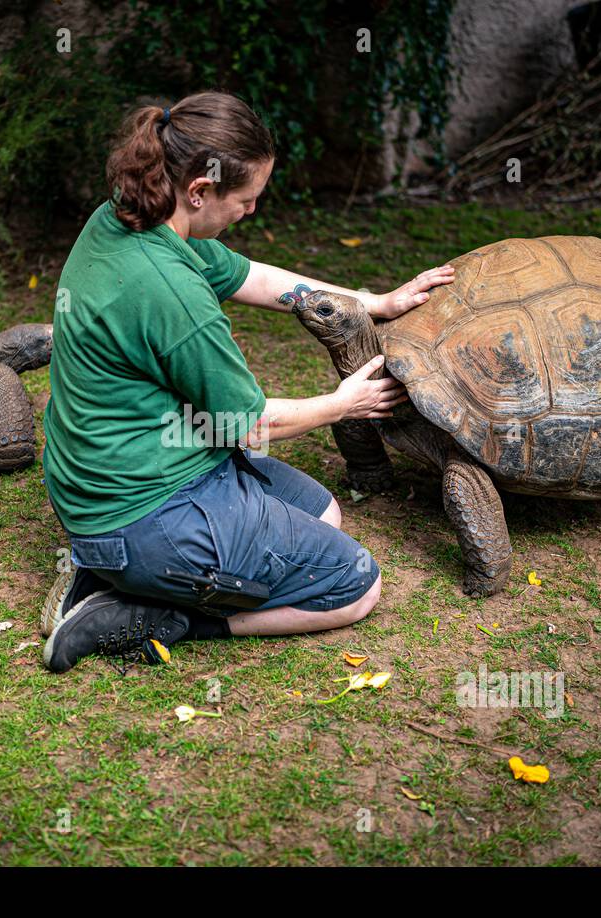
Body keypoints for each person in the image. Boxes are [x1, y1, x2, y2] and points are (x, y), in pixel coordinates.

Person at [39, 90, 454, 673]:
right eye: (245, 199)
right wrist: (344, 403)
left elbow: (252, 278)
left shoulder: (131, 217)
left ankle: (128, 576)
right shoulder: (172, 292)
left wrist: (373, 303)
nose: (251, 211)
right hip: (137, 506)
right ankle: (159, 616)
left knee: (323, 515)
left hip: (137, 468)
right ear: (199, 191)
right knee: (354, 585)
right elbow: (248, 423)